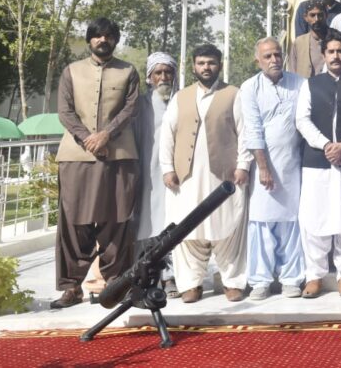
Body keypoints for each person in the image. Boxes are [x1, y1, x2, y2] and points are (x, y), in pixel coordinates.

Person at [53, 18, 140, 309]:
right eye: (98, 36)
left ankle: (116, 285)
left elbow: (130, 108)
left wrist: (106, 135)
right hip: (76, 156)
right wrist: (87, 138)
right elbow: (64, 111)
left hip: (118, 155)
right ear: (89, 39)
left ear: (115, 40)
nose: (103, 40)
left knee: (117, 219)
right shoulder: (71, 71)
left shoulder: (128, 71)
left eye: (109, 36)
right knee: (73, 221)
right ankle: (71, 288)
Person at [160, 44, 250, 303]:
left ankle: (232, 282)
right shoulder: (181, 97)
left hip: (223, 177)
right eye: (201, 63)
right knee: (187, 229)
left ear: (219, 65)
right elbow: (167, 134)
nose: (206, 67)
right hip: (185, 177)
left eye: (211, 63)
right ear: (193, 66)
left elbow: (245, 132)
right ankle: (191, 284)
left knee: (228, 227)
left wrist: (243, 165)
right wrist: (167, 169)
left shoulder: (234, 94)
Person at [295, 30, 341, 299]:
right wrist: (326, 145)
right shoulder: (310, 85)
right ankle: (314, 276)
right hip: (317, 162)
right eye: (331, 51)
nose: (336, 56)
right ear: (323, 55)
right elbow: (302, 120)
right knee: (314, 218)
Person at [239, 38, 305, 300]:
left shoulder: (299, 83)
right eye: (267, 56)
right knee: (262, 224)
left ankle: (291, 278)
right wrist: (264, 168)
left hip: (293, 164)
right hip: (264, 166)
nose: (274, 60)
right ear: (258, 61)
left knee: (292, 223)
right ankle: (261, 281)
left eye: (277, 55)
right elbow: (253, 130)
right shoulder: (250, 87)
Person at [134, 52, 179, 298]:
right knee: (148, 224)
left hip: (175, 173)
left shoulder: (181, 100)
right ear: (149, 77)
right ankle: (148, 274)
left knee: (172, 225)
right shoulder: (140, 104)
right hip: (147, 172)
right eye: (158, 73)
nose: (163, 77)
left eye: (168, 72)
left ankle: (170, 276)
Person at [287, 0, 328, 78]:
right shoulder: (299, 43)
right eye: (312, 15)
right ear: (306, 17)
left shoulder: (336, 38)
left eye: (320, 15)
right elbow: (292, 72)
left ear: (326, 15)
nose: (316, 19)